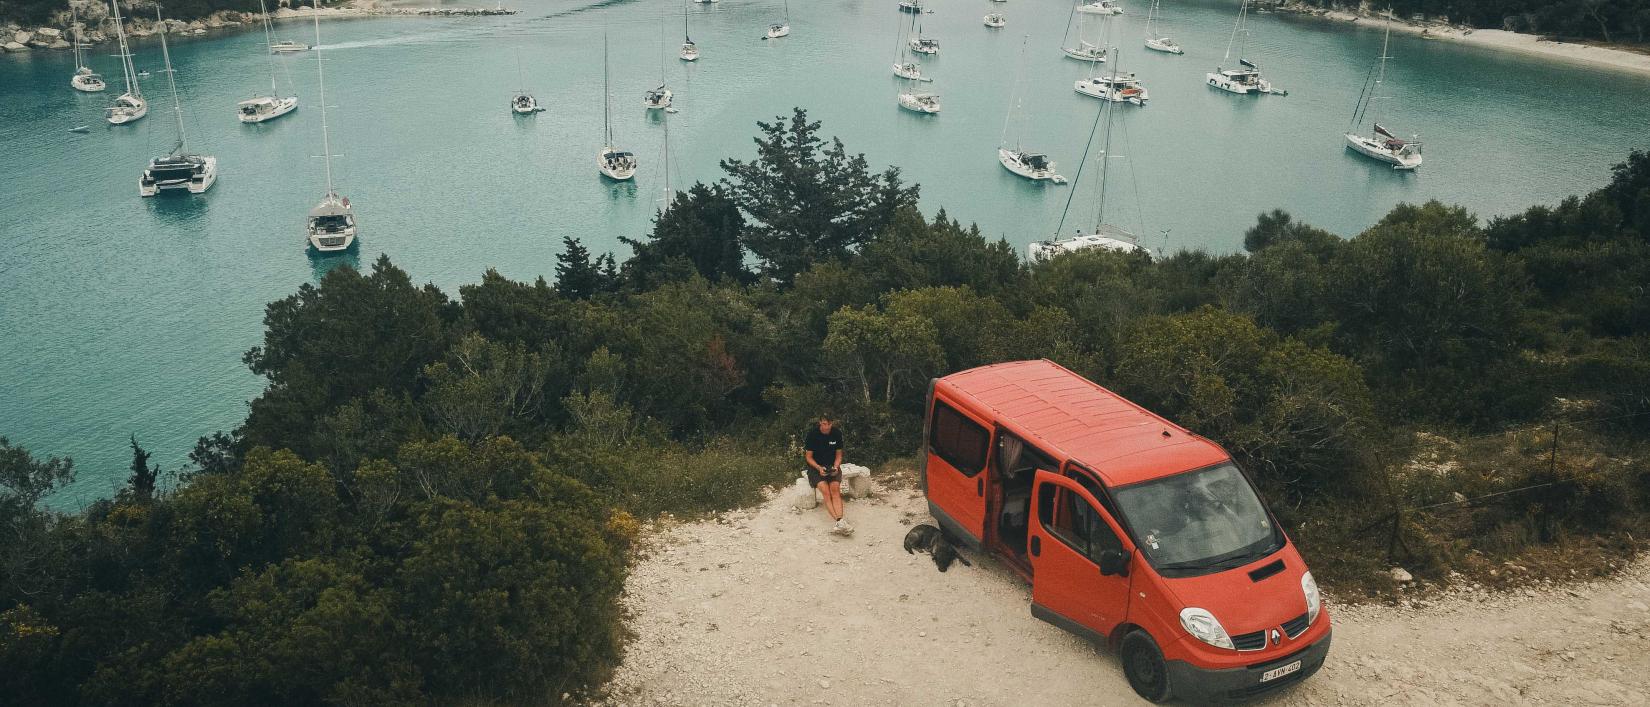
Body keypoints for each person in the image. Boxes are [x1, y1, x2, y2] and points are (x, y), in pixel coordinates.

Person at [804, 415, 851, 536]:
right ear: (820, 422)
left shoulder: (836, 433)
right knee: (825, 490)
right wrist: (819, 468)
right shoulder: (812, 435)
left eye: (829, 424)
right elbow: (808, 457)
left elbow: (839, 455)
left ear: (832, 423)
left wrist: (836, 467)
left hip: (831, 465)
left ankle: (840, 521)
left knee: (835, 490)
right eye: (824, 424)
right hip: (816, 467)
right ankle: (839, 521)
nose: (826, 427)